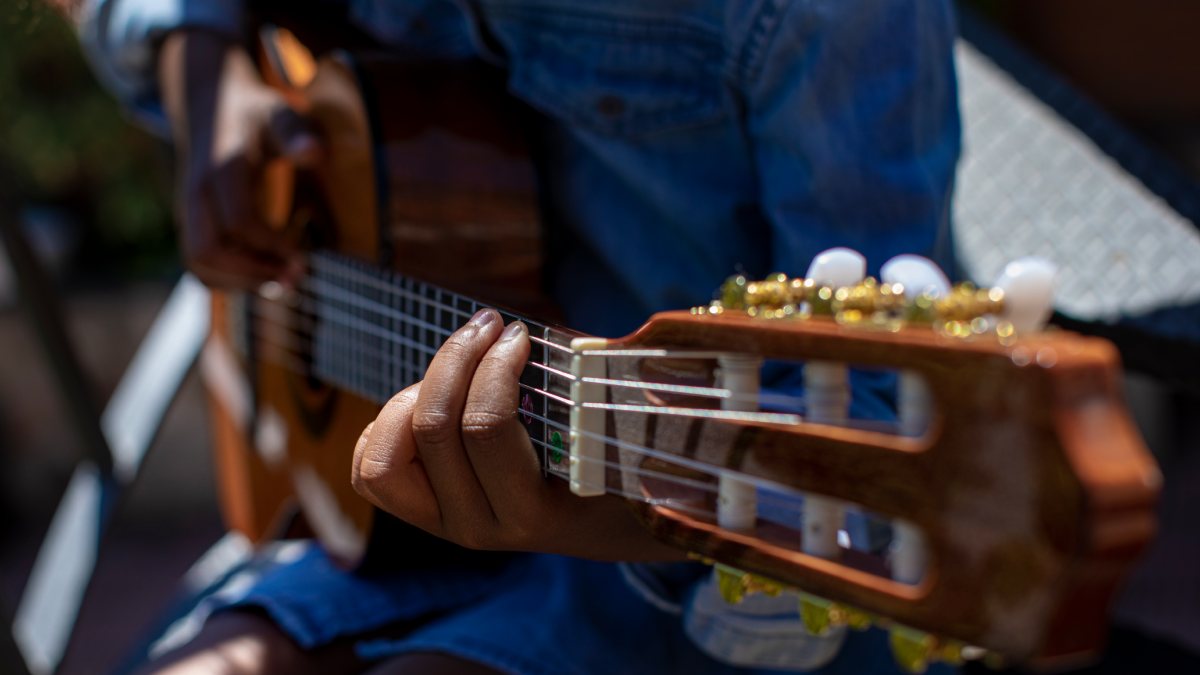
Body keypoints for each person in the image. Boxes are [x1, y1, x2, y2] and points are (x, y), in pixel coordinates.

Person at [76, 0, 961, 672]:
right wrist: (201, 66)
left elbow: (870, 433)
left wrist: (611, 510)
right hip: (371, 528)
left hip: (663, 571)